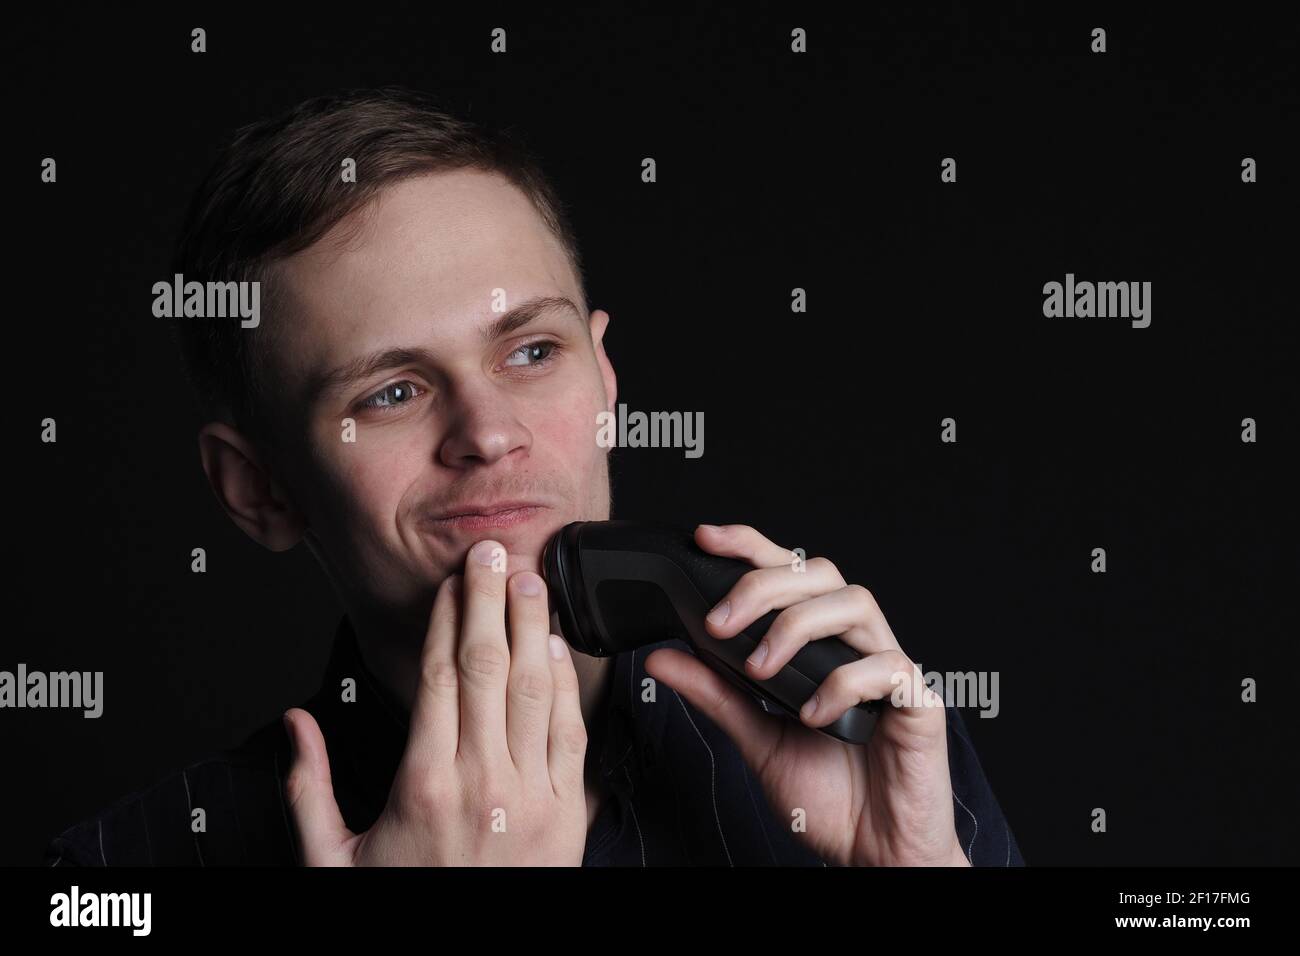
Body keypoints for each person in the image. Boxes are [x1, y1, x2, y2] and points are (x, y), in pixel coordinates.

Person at [44, 87, 1023, 867]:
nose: (489, 432)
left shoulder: (865, 746)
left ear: (604, 377)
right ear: (257, 487)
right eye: (391, 391)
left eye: (530, 352)